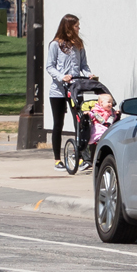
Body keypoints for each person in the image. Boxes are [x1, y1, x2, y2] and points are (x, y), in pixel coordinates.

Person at [45, 14, 98, 162]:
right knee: (58, 123)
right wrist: (62, 76)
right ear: (68, 27)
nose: (78, 28)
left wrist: (89, 75)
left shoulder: (78, 45)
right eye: (76, 26)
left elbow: (83, 65)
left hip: (75, 89)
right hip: (58, 91)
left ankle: (80, 156)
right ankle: (57, 159)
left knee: (79, 122)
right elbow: (50, 66)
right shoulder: (55, 45)